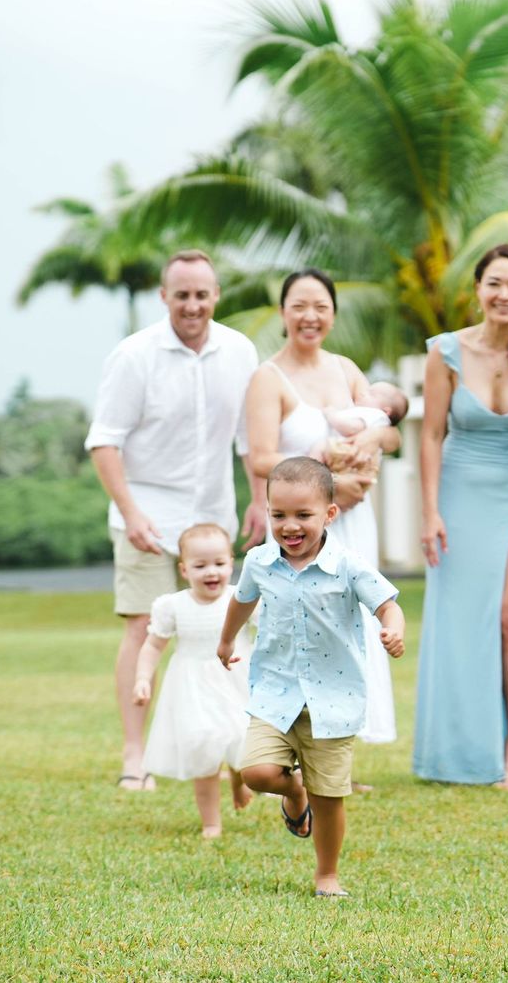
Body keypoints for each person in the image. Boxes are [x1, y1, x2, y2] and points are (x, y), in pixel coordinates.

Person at [85, 248, 264, 790]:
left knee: (221, 632)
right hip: (146, 518)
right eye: (182, 295)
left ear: (216, 296)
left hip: (212, 522)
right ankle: (135, 755)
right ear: (165, 297)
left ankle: (230, 745)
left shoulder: (240, 350)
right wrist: (130, 512)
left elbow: (248, 439)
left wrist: (258, 499)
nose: (193, 305)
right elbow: (104, 441)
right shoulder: (134, 355)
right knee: (144, 629)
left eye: (202, 294)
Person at [220, 457, 406, 899]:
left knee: (331, 796)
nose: (289, 526)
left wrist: (393, 627)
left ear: (329, 514)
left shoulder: (348, 564)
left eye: (303, 515)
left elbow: (386, 603)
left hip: (333, 700)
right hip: (275, 694)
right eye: (278, 514)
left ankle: (327, 874)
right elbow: (242, 601)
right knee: (258, 772)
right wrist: (227, 640)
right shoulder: (260, 562)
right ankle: (293, 790)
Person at [417, 244, 508, 789]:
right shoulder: (446, 352)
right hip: (457, 494)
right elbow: (430, 434)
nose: (505, 295)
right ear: (478, 289)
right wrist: (429, 511)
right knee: (458, 625)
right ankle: (457, 750)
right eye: (495, 283)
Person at [243, 269, 401, 755]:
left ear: (332, 313)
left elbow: (389, 434)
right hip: (298, 529)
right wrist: (324, 466)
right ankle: (289, 745)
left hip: (352, 521)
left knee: (351, 626)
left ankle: (340, 752)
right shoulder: (268, 377)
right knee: (300, 632)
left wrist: (374, 436)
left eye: (321, 307)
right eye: (299, 306)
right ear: (283, 312)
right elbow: (261, 456)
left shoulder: (345, 368)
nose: (310, 316)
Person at [131, 523, 254, 837]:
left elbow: (269, 633)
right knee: (203, 748)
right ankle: (211, 821)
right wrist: (143, 679)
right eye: (200, 566)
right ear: (184, 569)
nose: (211, 572)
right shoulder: (173, 606)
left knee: (242, 739)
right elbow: (153, 645)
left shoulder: (240, 599)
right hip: (193, 686)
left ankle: (239, 780)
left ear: (231, 563)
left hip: (237, 678)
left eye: (219, 563)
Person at [314, 381, 409, 478]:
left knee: (319, 448)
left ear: (386, 411)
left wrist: (331, 415)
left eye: (371, 394)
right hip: (346, 456)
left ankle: (311, 477)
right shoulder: (372, 414)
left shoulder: (375, 414)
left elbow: (351, 428)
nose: (362, 393)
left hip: (344, 451)